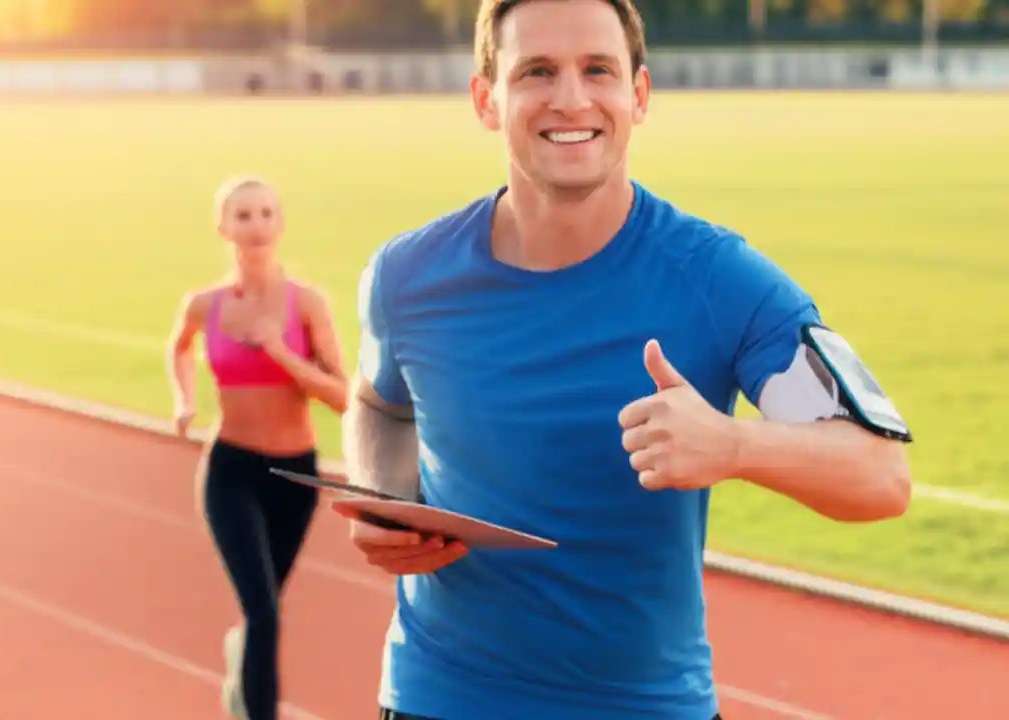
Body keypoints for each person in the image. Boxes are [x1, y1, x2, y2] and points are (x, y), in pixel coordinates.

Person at [338, 1, 915, 719]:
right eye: (537, 71)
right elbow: (378, 402)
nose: (571, 99)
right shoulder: (405, 277)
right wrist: (384, 496)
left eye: (598, 70)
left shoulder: (719, 281)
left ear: (638, 95)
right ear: (487, 99)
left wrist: (735, 444)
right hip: (437, 699)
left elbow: (882, 476)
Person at [166, 175, 349, 720]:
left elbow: (343, 397)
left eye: (266, 213)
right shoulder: (205, 305)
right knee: (266, 614)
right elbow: (178, 348)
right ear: (223, 228)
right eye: (243, 215)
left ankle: (241, 650)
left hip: (295, 479)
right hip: (232, 471)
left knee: (263, 609)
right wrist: (184, 400)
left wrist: (280, 353)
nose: (256, 225)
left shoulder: (308, 304)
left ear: (281, 223)